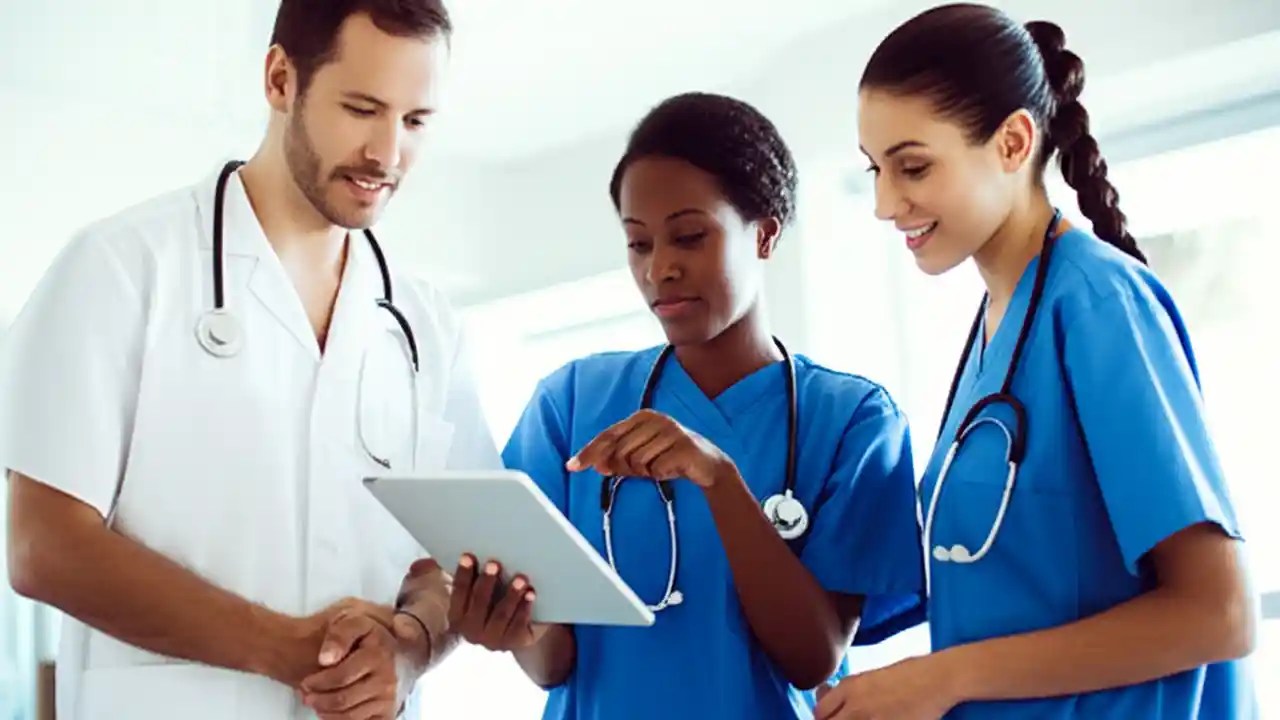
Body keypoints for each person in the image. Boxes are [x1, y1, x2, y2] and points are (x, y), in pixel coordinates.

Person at [0, 1, 499, 718]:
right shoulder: (121, 268)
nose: (388, 154)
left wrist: (412, 647)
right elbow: (44, 547)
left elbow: (451, 563)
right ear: (279, 79)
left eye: (415, 122)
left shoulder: (424, 324)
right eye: (362, 108)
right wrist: (279, 644)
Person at [816, 4, 1259, 719]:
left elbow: (1219, 613)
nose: (884, 203)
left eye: (913, 167)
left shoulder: (1095, 304)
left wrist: (940, 678)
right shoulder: (997, 327)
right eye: (874, 170)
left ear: (1014, 142)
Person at [442, 91, 926, 719]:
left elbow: (815, 658)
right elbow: (554, 662)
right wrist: (512, 628)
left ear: (765, 234)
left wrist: (719, 479)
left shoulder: (853, 420)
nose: (660, 269)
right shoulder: (572, 404)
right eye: (639, 245)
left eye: (690, 237)